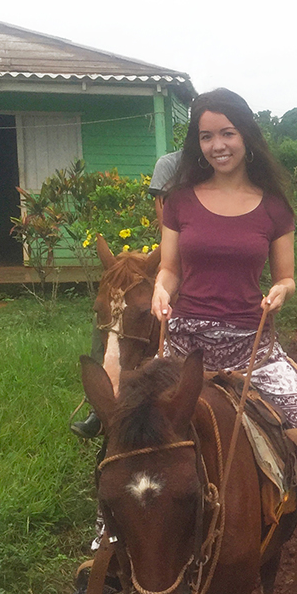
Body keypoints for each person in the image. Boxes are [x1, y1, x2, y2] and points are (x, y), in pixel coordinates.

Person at [63, 88, 297, 594]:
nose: (218, 144)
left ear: (246, 135)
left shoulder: (274, 207)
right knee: (124, 436)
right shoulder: (180, 200)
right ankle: (102, 563)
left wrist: (281, 292)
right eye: (206, 136)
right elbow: (172, 268)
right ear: (197, 143)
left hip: (253, 347)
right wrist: (161, 290)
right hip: (184, 347)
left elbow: (287, 277)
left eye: (227, 133)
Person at [67, 148, 179, 439]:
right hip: (171, 244)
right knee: (113, 304)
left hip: (204, 250)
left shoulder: (215, 167)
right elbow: (163, 206)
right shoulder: (170, 164)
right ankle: (100, 400)